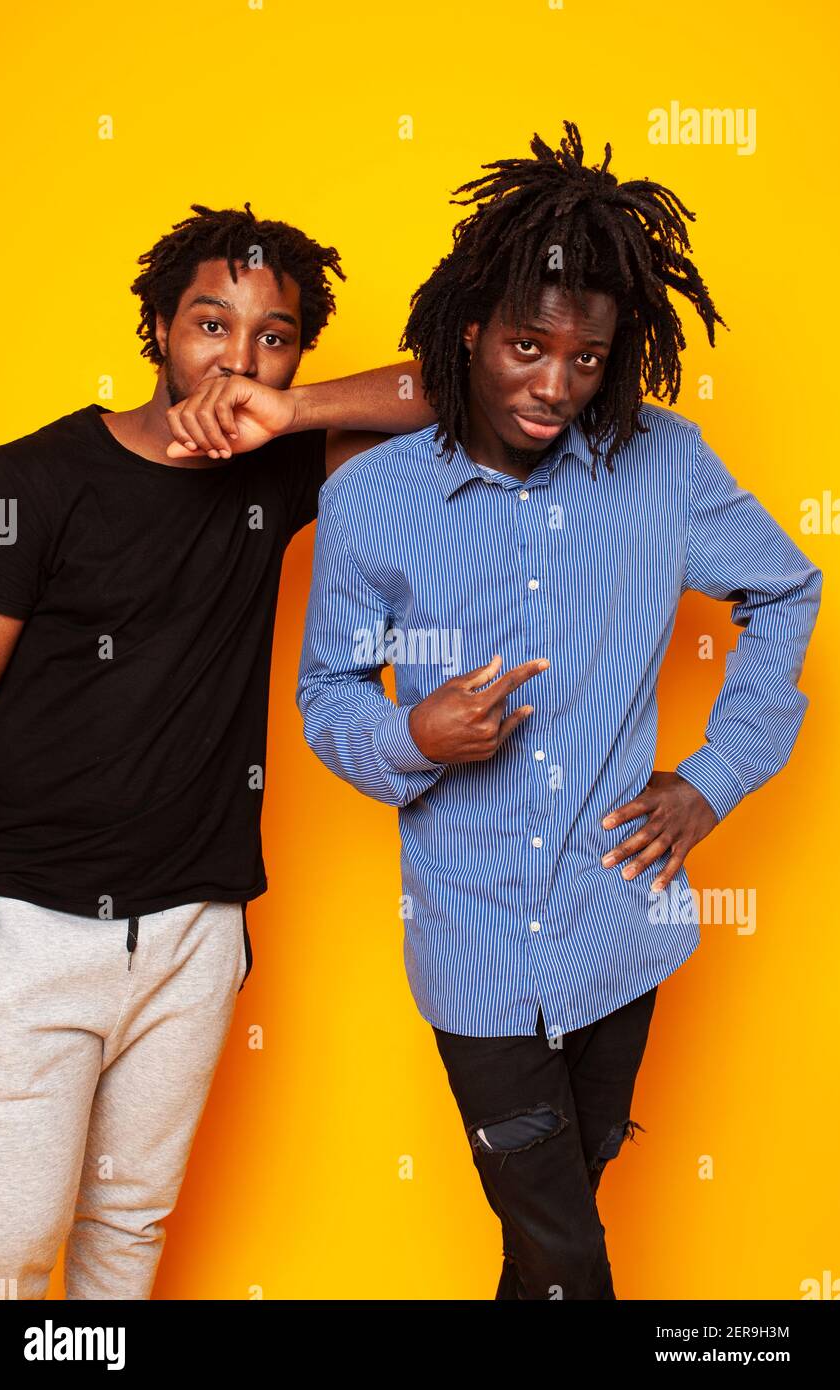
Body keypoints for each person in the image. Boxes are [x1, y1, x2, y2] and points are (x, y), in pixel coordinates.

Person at [295, 124, 823, 1299]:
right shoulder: (371, 497)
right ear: (468, 331)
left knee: (541, 1248)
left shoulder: (662, 465)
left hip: (612, 931)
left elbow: (786, 585)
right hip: (472, 946)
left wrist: (714, 773)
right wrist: (408, 738)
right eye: (526, 347)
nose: (552, 385)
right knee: (569, 1256)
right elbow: (325, 691)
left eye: (584, 361)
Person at [0, 201, 434, 1300]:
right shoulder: (23, 480)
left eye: (270, 336)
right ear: (159, 331)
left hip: (195, 928)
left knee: (129, 1230)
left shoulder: (279, 471)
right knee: (4, 1247)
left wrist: (288, 411)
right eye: (209, 324)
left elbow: (455, 391)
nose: (234, 356)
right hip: (31, 923)